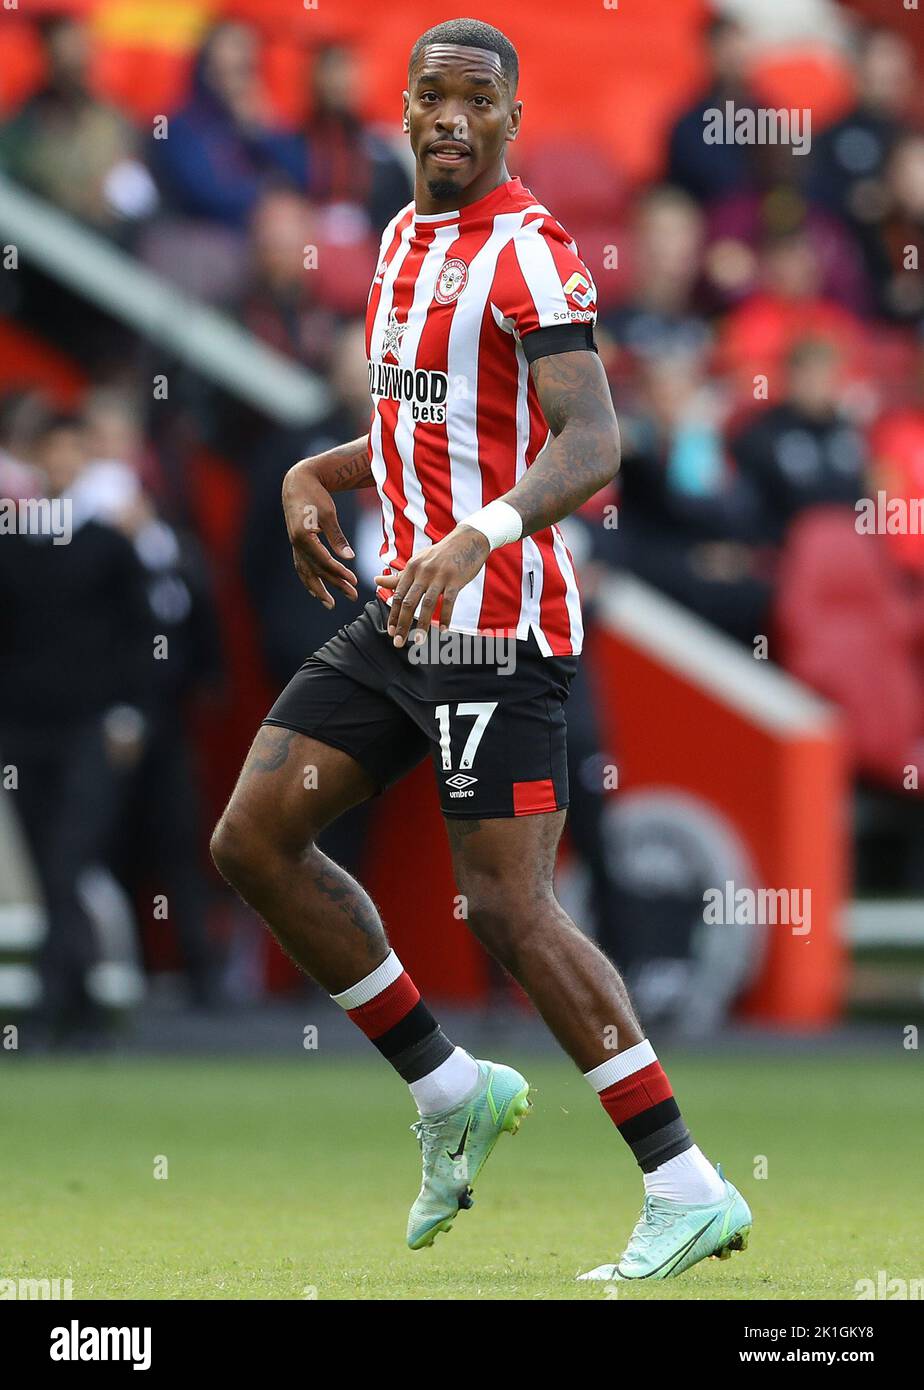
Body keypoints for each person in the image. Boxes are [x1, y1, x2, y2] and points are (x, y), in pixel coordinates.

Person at [210, 18, 752, 1283]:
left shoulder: (533, 253)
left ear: (511, 120)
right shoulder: (400, 242)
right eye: (431, 95)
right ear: (403, 108)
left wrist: (479, 536)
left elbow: (593, 441)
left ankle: (688, 1182)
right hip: (404, 619)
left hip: (499, 626)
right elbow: (422, 429)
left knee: (510, 906)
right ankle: (452, 1088)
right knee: (252, 837)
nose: (451, 117)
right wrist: (310, 470)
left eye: (477, 101)